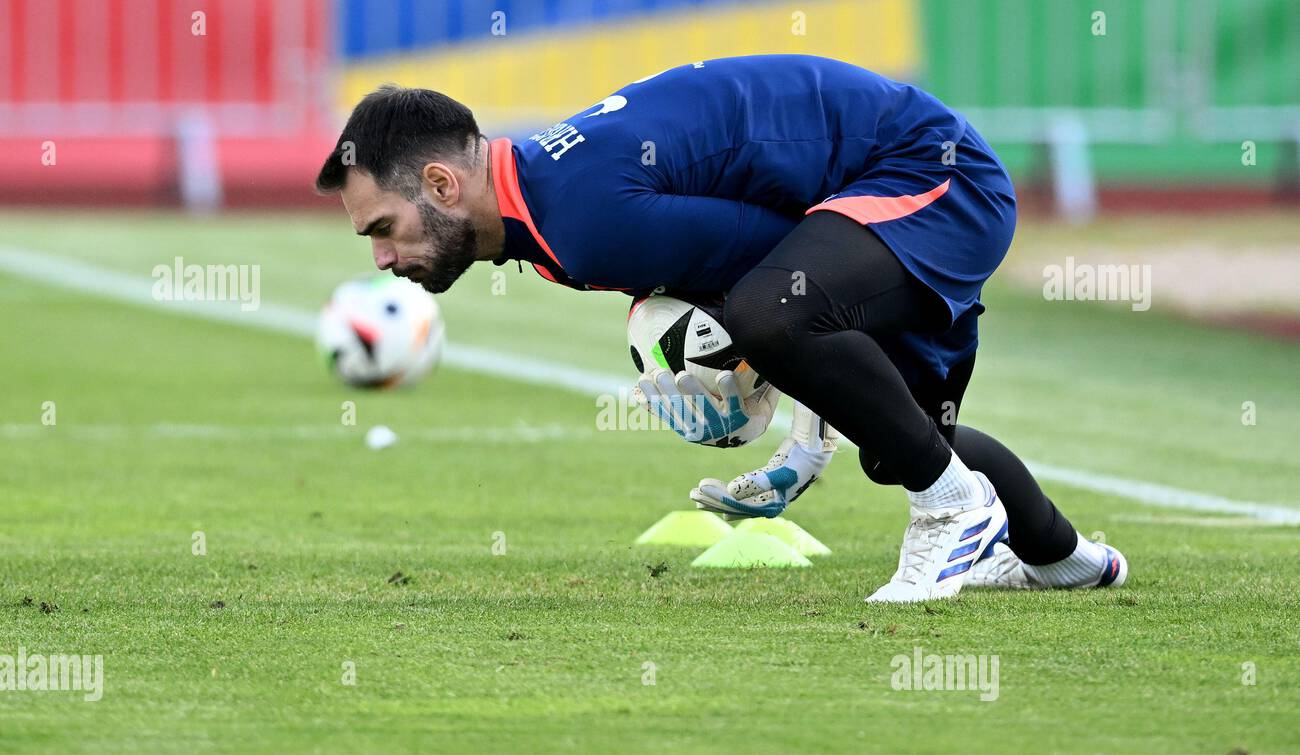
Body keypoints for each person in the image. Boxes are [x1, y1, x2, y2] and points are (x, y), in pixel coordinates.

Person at [314, 54, 1127, 602]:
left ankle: (954, 513)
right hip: (875, 190)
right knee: (902, 438)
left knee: (780, 327)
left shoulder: (584, 218)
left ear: (441, 183)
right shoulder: (552, 207)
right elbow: (791, 273)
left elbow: (782, 279)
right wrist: (822, 417)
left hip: (932, 173)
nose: (384, 258)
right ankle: (1067, 558)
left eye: (383, 226)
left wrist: (805, 441)